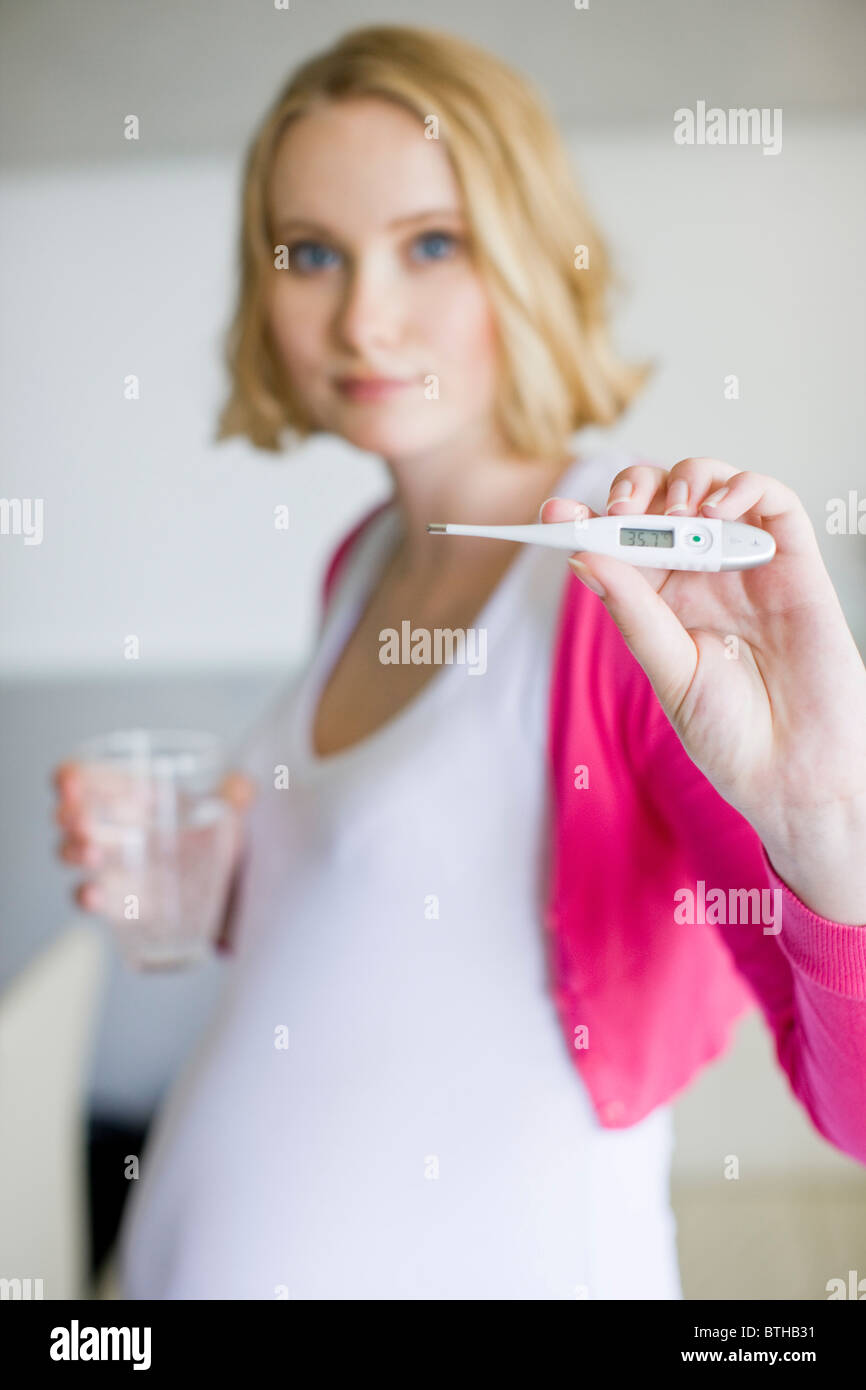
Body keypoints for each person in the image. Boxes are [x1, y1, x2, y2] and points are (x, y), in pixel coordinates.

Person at [53, 25, 866, 1300]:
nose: (363, 315)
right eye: (310, 252)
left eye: (431, 243)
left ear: (529, 257)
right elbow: (402, 930)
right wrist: (221, 887)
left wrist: (826, 826)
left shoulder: (627, 586)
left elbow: (856, 1109)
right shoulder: (360, 562)